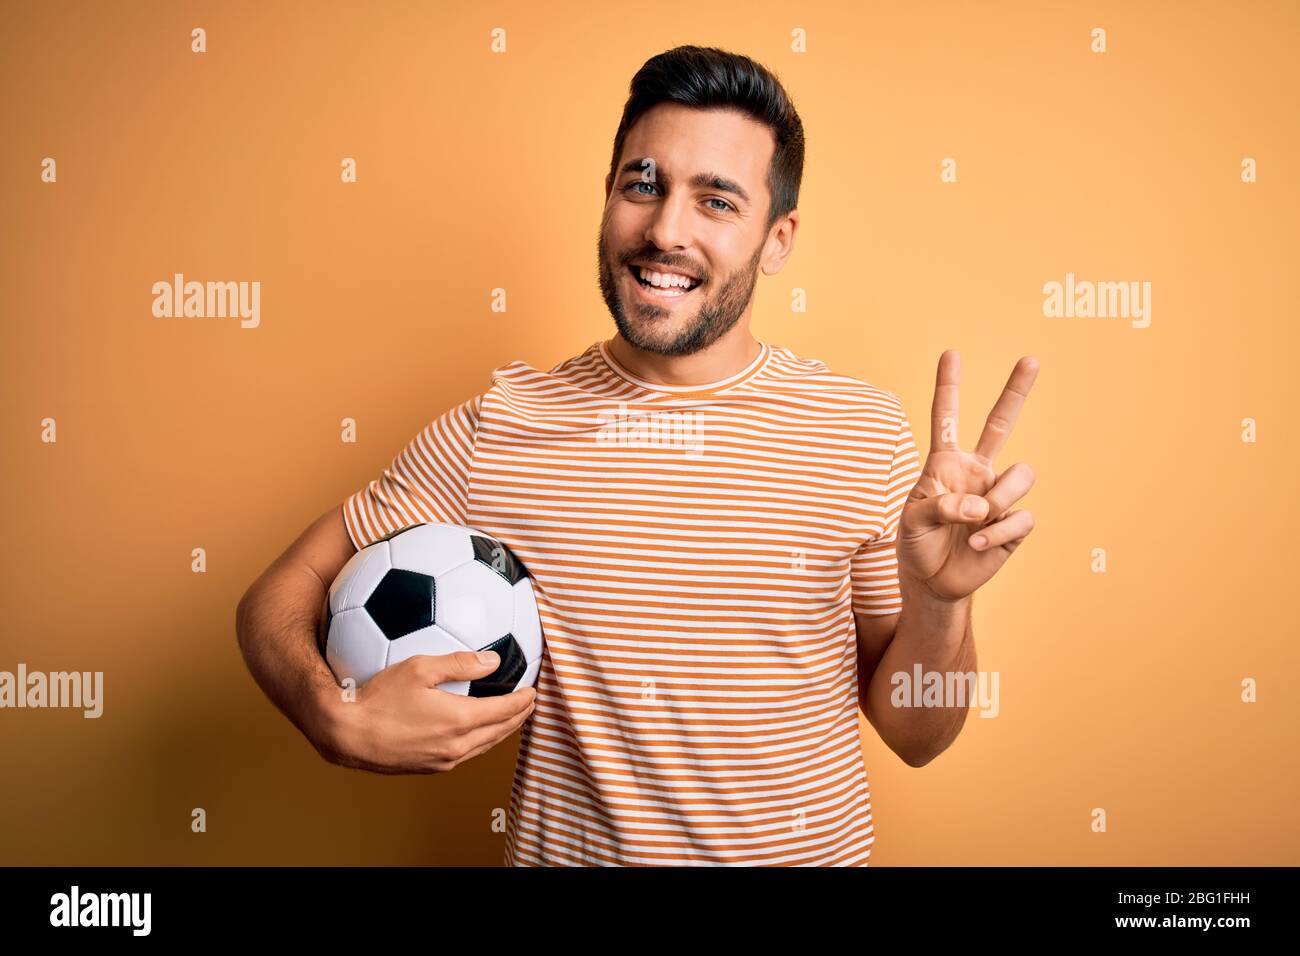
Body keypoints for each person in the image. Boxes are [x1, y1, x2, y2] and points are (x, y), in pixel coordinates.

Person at [236, 44, 1039, 866]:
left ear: (777, 237)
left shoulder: (857, 430)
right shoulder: (502, 425)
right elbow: (278, 594)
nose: (664, 230)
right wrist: (328, 709)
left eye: (717, 201)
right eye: (642, 184)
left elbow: (918, 738)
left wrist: (940, 609)